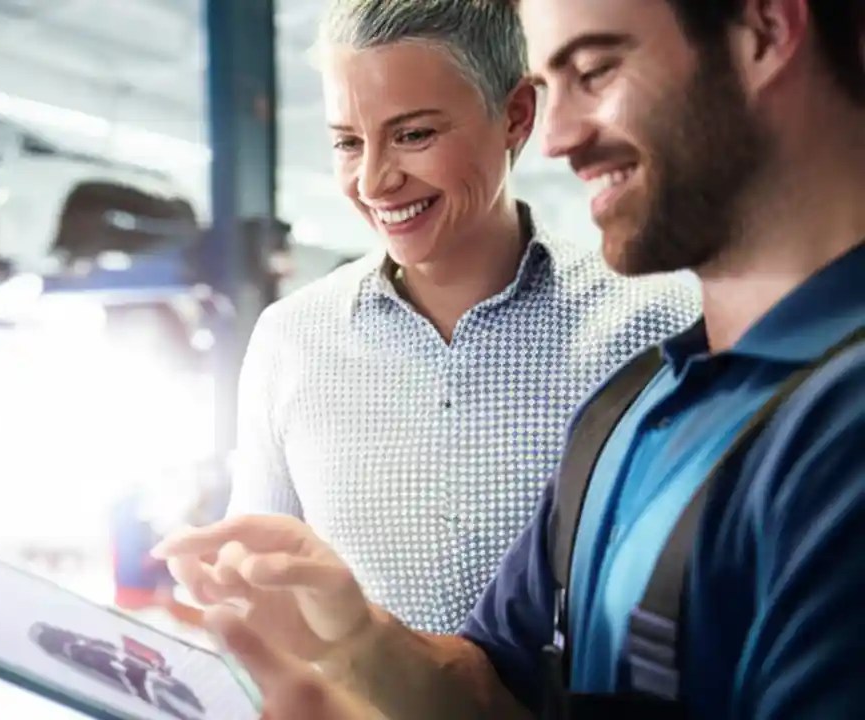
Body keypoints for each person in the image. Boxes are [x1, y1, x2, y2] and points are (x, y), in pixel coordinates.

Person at [155, 0, 865, 717]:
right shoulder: (642, 405)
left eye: (596, 70)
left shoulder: (673, 350)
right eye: (346, 141)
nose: (558, 139)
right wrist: (355, 641)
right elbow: (498, 688)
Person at [228, 0, 699, 636]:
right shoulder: (292, 341)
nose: (373, 180)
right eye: (347, 142)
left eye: (414, 134)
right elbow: (262, 605)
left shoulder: (655, 324)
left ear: (516, 116)